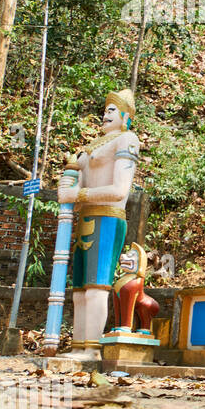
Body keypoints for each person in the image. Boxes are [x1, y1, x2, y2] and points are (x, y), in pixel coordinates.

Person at [56, 89, 141, 348]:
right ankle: (78, 345)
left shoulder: (127, 140)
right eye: (105, 111)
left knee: (97, 287)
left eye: (112, 111)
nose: (105, 115)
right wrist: (70, 182)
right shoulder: (92, 146)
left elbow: (119, 191)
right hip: (86, 219)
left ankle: (90, 348)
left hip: (107, 218)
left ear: (126, 116)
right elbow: (74, 191)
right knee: (80, 292)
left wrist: (77, 192)